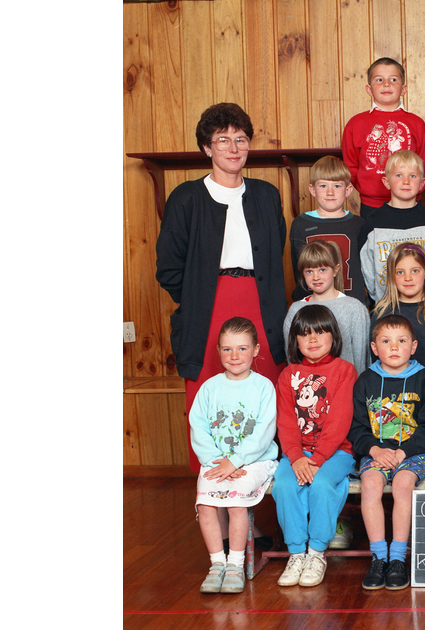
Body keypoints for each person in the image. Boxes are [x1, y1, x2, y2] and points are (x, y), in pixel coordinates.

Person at [156, 102, 287, 473]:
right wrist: (199, 297)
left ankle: (259, 512)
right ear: (206, 148)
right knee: (210, 402)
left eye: (241, 139)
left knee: (263, 399)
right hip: (207, 310)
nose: (233, 148)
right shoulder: (185, 198)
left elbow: (275, 252)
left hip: (261, 305)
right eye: (223, 140)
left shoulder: (266, 195)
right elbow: (168, 267)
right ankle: (219, 499)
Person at [349, 314, 425, 591]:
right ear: (375, 348)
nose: (393, 347)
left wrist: (403, 453)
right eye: (386, 341)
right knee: (370, 484)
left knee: (403, 485)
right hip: (376, 454)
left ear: (412, 347)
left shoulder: (424, 380)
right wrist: (374, 449)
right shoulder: (366, 381)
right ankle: (379, 557)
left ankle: (398, 558)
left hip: (413, 454)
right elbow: (356, 428)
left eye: (401, 341)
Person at [271, 305, 358, 588]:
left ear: (333, 335)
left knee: (320, 485)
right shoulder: (288, 375)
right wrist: (295, 458)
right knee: (284, 485)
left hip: (337, 453)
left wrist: (318, 458)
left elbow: (340, 420)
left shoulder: (345, 371)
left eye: (320, 331)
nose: (313, 339)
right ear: (294, 340)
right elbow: (285, 422)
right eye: (305, 334)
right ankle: (296, 553)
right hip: (297, 455)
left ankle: (317, 552)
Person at [190, 318, 279, 594]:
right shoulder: (209, 388)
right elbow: (199, 427)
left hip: (254, 460)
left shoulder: (263, 387)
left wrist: (236, 461)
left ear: (256, 349)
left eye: (242, 349)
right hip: (216, 462)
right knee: (205, 503)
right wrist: (218, 462)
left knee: (235, 503)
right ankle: (217, 563)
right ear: (218, 351)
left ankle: (235, 565)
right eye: (227, 350)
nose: (234, 356)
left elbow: (264, 432)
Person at [341, 57, 425, 210]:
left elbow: (420, 163)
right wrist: (367, 189)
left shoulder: (416, 123)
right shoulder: (356, 123)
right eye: (379, 79)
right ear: (369, 89)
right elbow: (350, 165)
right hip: (371, 204)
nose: (386, 84)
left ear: (403, 89)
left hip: (410, 202)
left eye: (393, 79)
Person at [358, 150, 425, 301]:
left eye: (412, 176)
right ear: (386, 182)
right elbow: (366, 268)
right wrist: (379, 298)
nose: (406, 181)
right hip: (386, 307)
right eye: (399, 175)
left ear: (422, 184)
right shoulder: (373, 223)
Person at [371, 242, 425, 389]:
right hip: (396, 393)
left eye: (415, 271)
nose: (408, 278)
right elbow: (376, 359)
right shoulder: (382, 312)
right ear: (392, 276)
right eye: (400, 272)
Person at [289, 156, 369, 306]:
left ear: (348, 190)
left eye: (337, 186)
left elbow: (367, 270)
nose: (330, 192)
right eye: (323, 186)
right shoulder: (300, 224)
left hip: (351, 304)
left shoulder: (359, 225)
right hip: (313, 307)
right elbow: (298, 270)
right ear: (312, 190)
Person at [283, 241, 370, 374]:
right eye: (309, 271)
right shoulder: (295, 310)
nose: (316, 277)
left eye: (322, 270)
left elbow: (361, 359)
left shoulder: (354, 308)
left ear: (335, 270)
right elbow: (292, 358)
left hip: (345, 386)